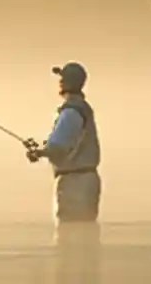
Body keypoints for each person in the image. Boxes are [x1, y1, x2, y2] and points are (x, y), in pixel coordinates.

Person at [25, 61, 102, 283]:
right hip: (85, 180)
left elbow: (59, 147)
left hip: (75, 182)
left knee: (72, 237)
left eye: (62, 77)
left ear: (67, 82)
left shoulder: (71, 112)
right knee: (84, 237)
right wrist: (42, 149)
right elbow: (66, 143)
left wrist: (40, 153)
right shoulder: (80, 108)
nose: (59, 80)